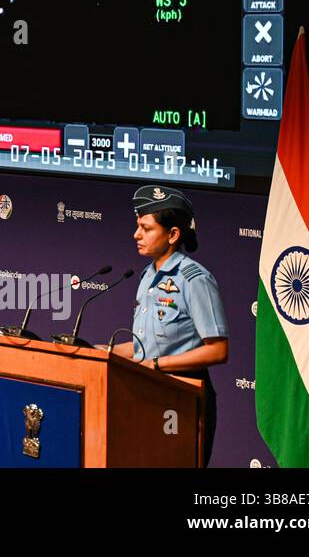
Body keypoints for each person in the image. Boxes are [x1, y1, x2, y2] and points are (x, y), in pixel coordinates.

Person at [110, 184, 228, 465]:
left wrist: (157, 366)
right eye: (138, 226)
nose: (136, 234)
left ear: (173, 234)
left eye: (146, 228)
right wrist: (102, 351)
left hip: (182, 398)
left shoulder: (194, 279)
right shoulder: (147, 277)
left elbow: (218, 350)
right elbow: (146, 348)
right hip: (147, 393)